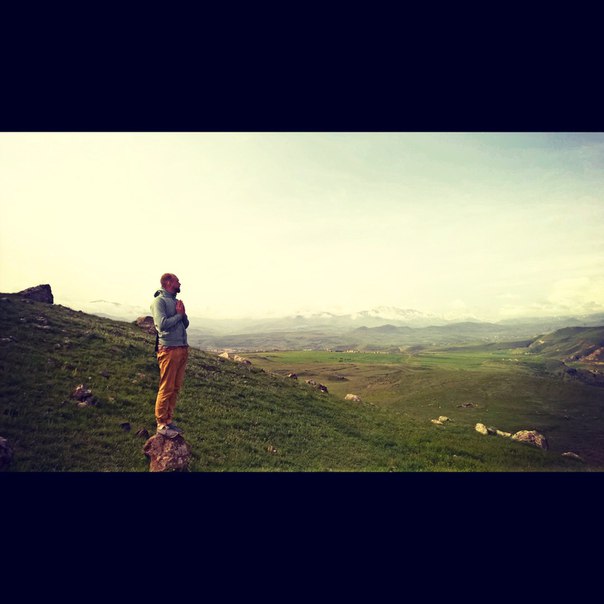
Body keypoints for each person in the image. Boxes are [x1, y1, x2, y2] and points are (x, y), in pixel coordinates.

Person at [150, 273, 190, 438]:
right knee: (166, 387)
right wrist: (178, 315)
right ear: (168, 282)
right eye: (177, 281)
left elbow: (185, 324)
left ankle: (168, 420)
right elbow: (161, 325)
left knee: (175, 387)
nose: (180, 283)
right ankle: (161, 423)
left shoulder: (175, 301)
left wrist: (183, 314)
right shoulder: (159, 301)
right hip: (169, 349)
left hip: (181, 348)